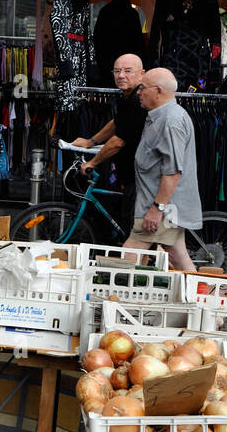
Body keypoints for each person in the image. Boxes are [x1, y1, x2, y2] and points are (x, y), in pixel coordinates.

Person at [123, 68, 200, 272]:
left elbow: (173, 171)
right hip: (164, 209)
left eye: (143, 87)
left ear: (158, 90)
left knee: (128, 258)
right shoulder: (161, 116)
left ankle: (120, 300)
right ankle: (201, 297)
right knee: (178, 258)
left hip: (161, 210)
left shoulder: (170, 121)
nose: (139, 92)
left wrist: (157, 209)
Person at [67, 53, 146, 236]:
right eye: (117, 71)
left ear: (142, 74)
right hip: (130, 174)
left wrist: (92, 163)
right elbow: (116, 123)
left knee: (136, 233)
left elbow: (118, 141)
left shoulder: (139, 100)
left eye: (128, 71)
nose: (121, 76)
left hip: (141, 177)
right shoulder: (126, 96)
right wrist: (91, 141)